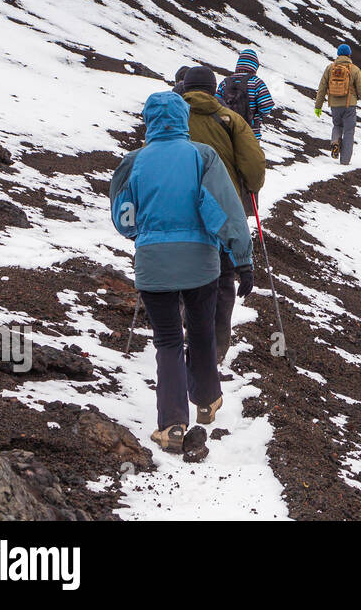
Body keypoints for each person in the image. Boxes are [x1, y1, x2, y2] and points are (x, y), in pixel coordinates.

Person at [109, 91, 253, 452]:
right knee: (201, 331)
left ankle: (172, 424)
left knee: (168, 340)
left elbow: (123, 218)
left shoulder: (134, 162)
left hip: (154, 262)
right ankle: (206, 402)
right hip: (200, 262)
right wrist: (242, 258)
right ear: (183, 118)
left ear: (149, 121)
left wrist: (144, 234)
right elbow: (227, 209)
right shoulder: (201, 156)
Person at [179, 66, 265, 362]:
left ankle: (187, 322)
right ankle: (214, 347)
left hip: (179, 209)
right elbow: (253, 166)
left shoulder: (171, 118)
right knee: (223, 277)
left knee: (185, 268)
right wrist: (251, 188)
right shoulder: (232, 121)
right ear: (214, 88)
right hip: (222, 210)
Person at [314, 43, 361, 164]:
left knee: (337, 125)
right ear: (349, 54)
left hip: (334, 105)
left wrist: (318, 106)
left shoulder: (330, 68)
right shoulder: (354, 69)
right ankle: (344, 161)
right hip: (349, 105)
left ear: (338, 54)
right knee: (349, 131)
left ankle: (335, 142)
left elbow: (322, 87)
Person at [216, 48, 276, 140]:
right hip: (249, 135)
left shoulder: (225, 83)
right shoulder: (257, 83)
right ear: (254, 66)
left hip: (225, 133)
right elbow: (266, 107)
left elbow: (216, 104)